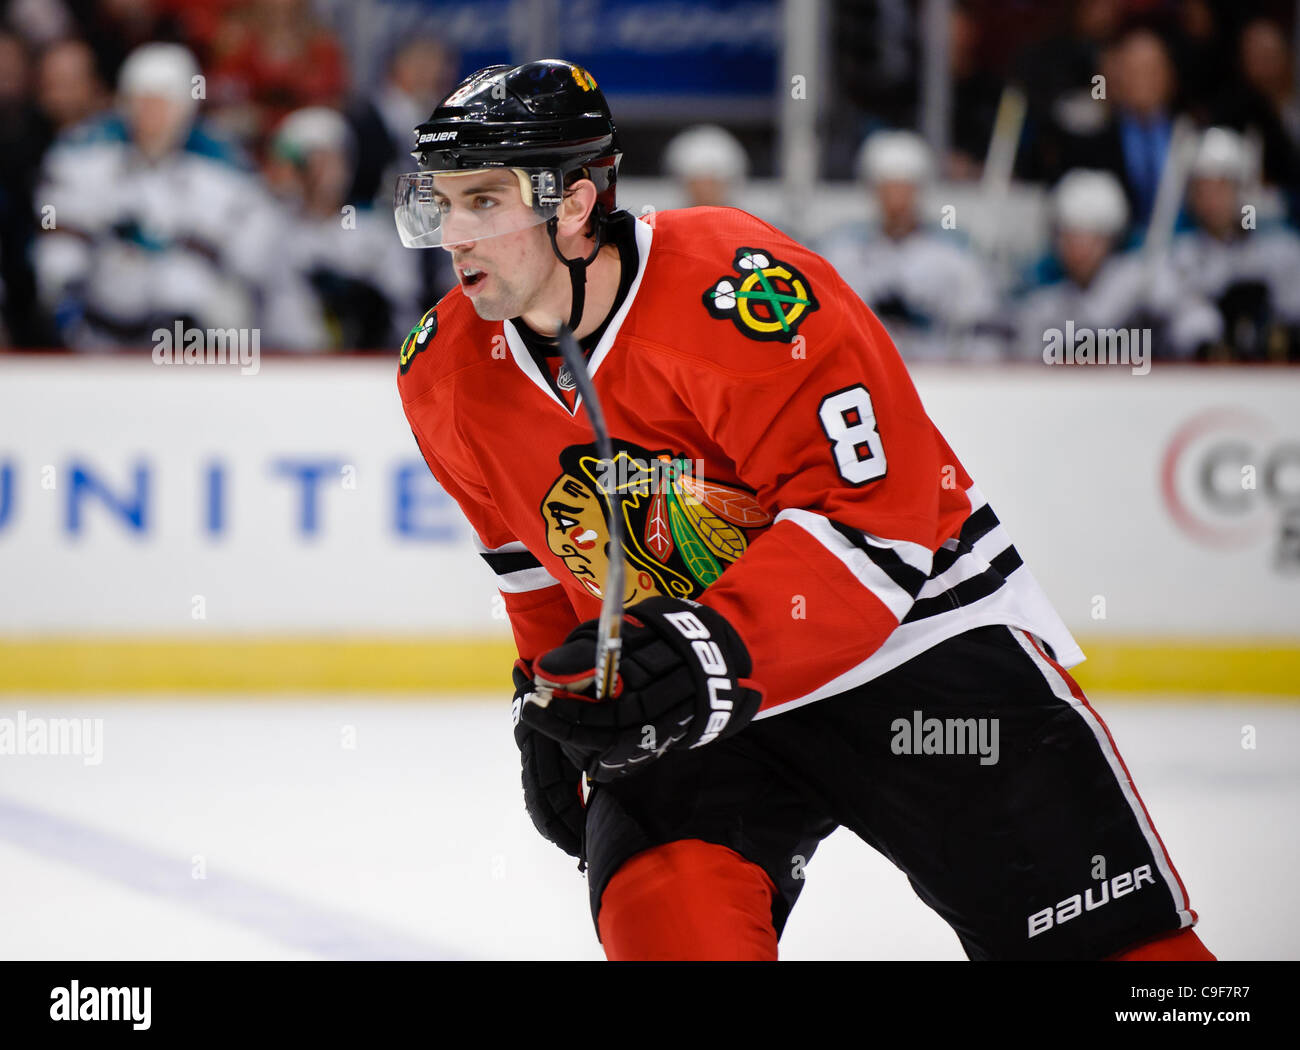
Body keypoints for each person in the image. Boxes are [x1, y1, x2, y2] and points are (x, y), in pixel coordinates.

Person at [394, 60, 1215, 962]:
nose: (453, 236)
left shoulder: (741, 292)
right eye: (441, 203)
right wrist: (550, 691)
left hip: (912, 646)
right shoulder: (442, 375)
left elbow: (876, 526)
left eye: (482, 202)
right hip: (693, 694)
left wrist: (711, 652)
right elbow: (533, 567)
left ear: (576, 203)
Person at [33, 41, 278, 349]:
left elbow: (254, 255)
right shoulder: (83, 156)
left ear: (186, 108)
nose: (150, 114)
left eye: (163, 102)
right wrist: (65, 299)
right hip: (98, 331)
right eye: (141, 101)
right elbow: (58, 247)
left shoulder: (225, 171)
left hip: (187, 339)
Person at [819, 130, 1005, 362]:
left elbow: (982, 329)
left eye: (905, 189)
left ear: (920, 190)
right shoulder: (840, 255)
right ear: (872, 190)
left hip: (941, 377)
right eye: (888, 189)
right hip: (865, 375)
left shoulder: (955, 257)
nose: (897, 201)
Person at [1014, 168, 1221, 361]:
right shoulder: (1044, 307)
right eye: (1069, 237)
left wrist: (1175, 336)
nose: (1077, 250)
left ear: (1110, 239)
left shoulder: (1143, 282)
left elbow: (1199, 320)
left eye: (1089, 238)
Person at [1168, 127, 1300, 362]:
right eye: (1201, 190)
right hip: (1209, 376)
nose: (1211, 201)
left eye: (1221, 188)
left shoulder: (1283, 249)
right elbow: (1183, 322)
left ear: (1244, 189)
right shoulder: (1180, 256)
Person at [662, 124, 748, 208]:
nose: (705, 193)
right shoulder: (657, 221)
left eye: (712, 184)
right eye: (696, 185)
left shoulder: (748, 221)